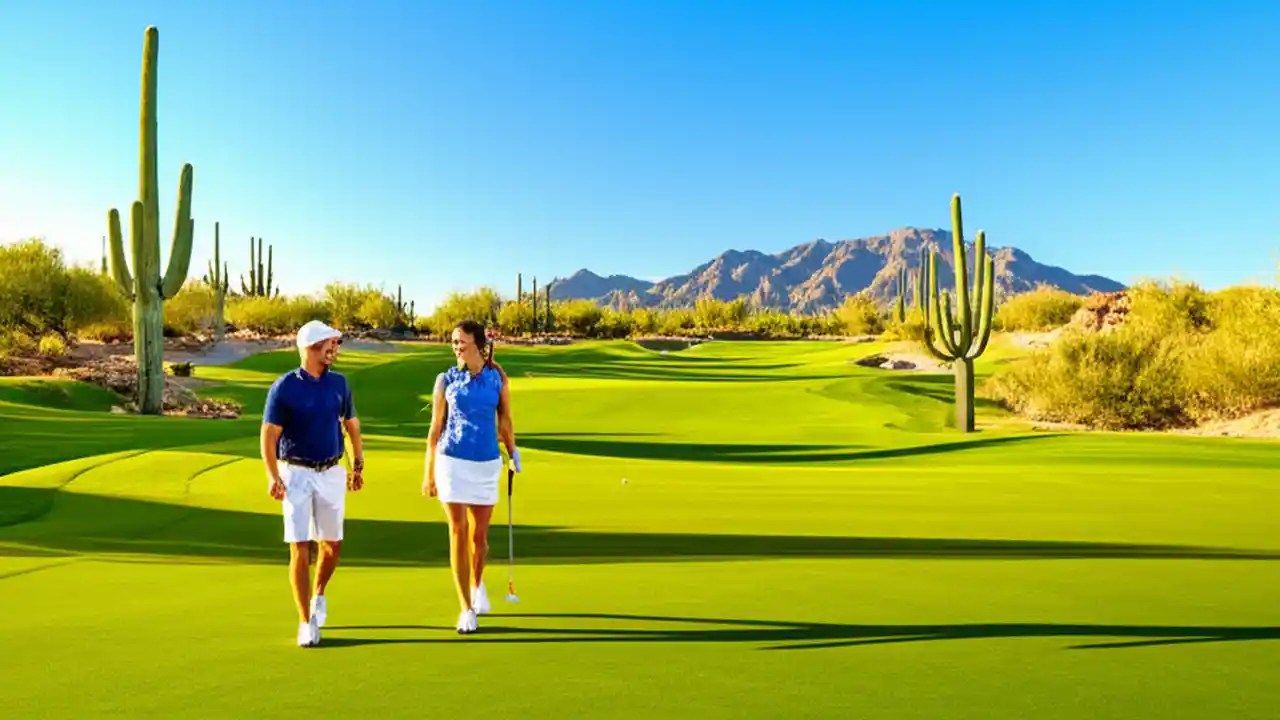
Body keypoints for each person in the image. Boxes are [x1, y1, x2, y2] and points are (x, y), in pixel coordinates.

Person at [261, 320, 365, 647]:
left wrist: (357, 463)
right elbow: (269, 434)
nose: (334, 350)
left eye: (336, 344)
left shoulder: (340, 383)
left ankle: (318, 593)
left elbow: (351, 426)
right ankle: (305, 622)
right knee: (299, 547)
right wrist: (272, 475)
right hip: (295, 473)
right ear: (310, 348)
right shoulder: (284, 387)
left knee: (331, 546)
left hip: (332, 471)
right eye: (328, 344)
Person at [424, 320, 520, 634]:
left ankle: (477, 585)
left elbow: (505, 418)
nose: (456, 347)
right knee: (458, 531)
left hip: (486, 464)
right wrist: (429, 473)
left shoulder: (497, 378)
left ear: (479, 344)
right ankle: (466, 608)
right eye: (453, 342)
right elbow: (435, 429)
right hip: (451, 460)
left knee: (479, 539)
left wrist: (513, 450)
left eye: (461, 341)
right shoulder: (446, 379)